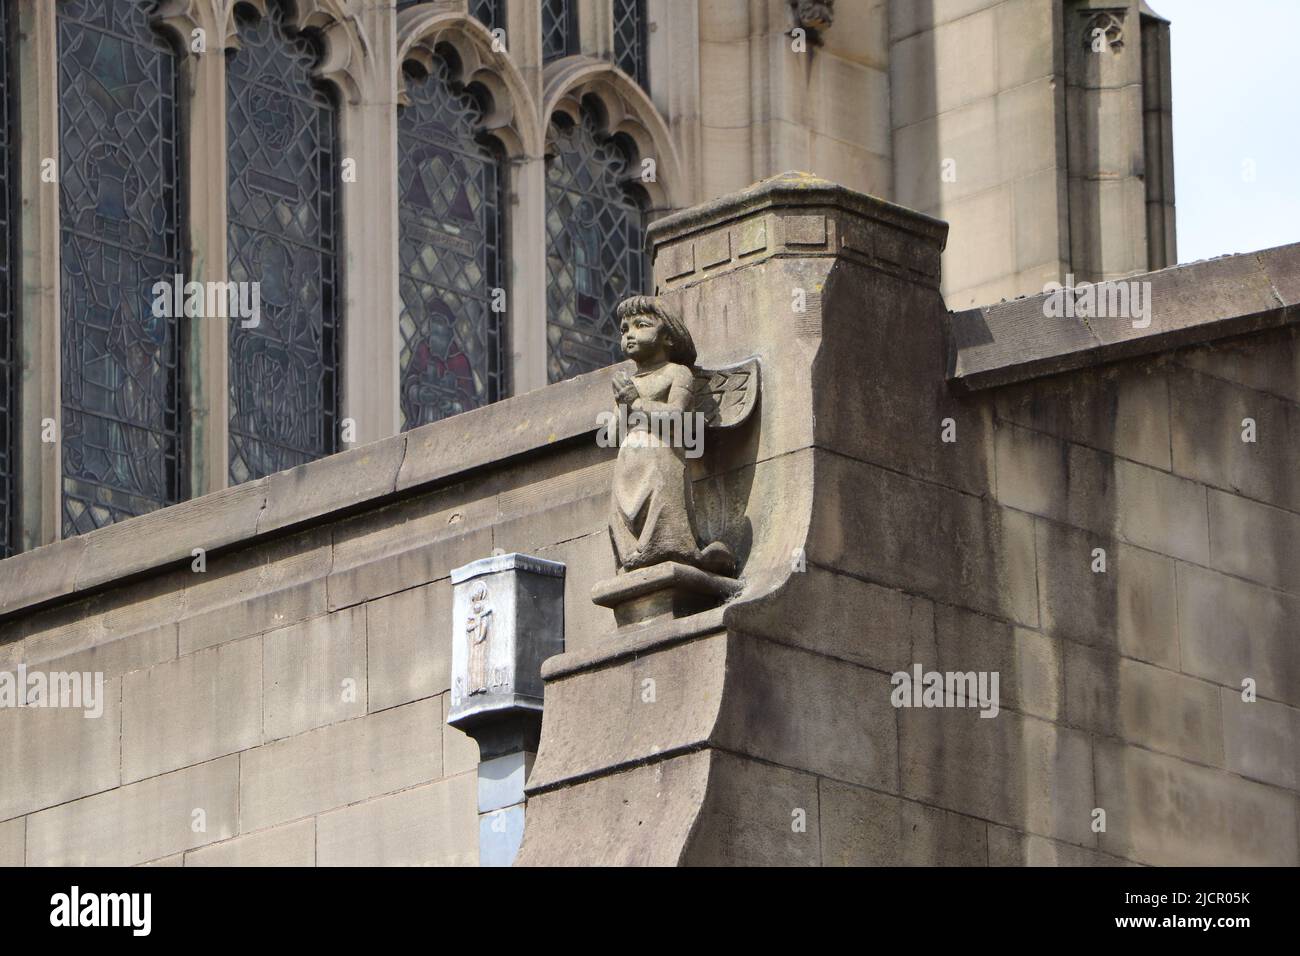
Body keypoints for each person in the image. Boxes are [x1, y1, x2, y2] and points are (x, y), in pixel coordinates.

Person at [609, 296, 734, 575]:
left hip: (661, 455)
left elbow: (677, 417)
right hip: (629, 459)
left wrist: (636, 402)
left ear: (667, 337)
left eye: (640, 325)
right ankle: (631, 553)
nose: (629, 334)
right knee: (625, 511)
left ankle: (667, 548)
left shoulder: (677, 373)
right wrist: (621, 404)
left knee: (660, 505)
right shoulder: (631, 383)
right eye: (624, 329)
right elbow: (614, 433)